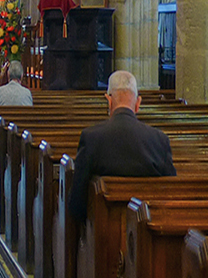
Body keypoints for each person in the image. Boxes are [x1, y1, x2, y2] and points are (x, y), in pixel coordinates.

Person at [69, 71, 175, 223]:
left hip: (102, 234)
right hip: (147, 234)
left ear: (109, 101)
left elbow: (77, 204)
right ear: (138, 103)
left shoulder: (91, 138)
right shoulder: (159, 140)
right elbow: (171, 193)